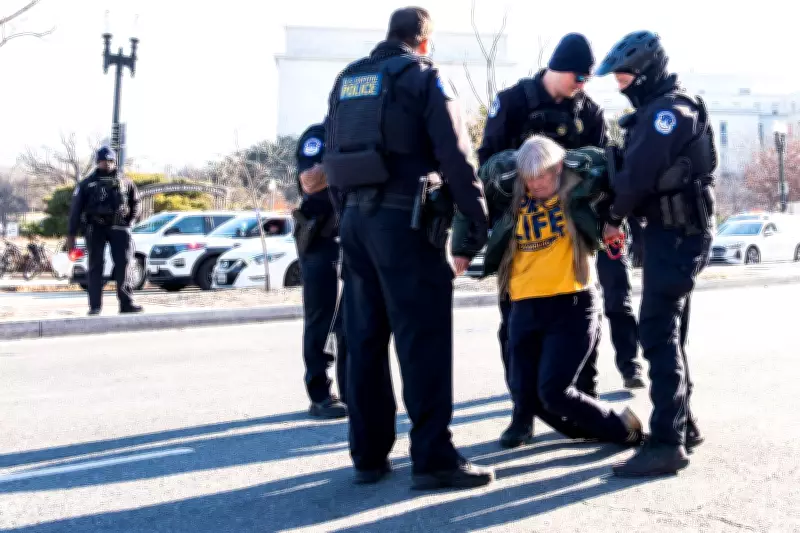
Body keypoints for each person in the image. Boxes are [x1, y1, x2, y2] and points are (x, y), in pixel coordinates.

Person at [323, 6, 493, 490]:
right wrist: (476, 221)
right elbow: (455, 155)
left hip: (355, 220)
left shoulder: (348, 80)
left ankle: (369, 457)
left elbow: (333, 158)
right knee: (423, 340)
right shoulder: (423, 76)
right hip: (405, 223)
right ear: (424, 41)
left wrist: (349, 216)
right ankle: (434, 458)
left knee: (365, 339)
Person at [466, 32, 643, 449]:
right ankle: (521, 416)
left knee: (581, 320)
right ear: (556, 67)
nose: (583, 82)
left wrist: (608, 222)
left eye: (587, 76)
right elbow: (486, 163)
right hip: (521, 233)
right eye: (577, 75)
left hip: (574, 236)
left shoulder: (590, 112)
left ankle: (588, 404)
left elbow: (604, 174)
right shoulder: (513, 102)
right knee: (515, 330)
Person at [595, 31, 716, 476]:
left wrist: (612, 216)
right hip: (674, 235)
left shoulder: (669, 111)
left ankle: (667, 442)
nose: (620, 84)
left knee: (657, 332)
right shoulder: (665, 107)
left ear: (646, 70)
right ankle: (683, 426)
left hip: (677, 236)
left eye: (624, 75)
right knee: (671, 334)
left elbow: (638, 175)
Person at [497, 135, 644, 447]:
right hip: (524, 304)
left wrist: (612, 223)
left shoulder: (578, 195)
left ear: (559, 168)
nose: (536, 184)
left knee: (553, 390)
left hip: (572, 303)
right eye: (529, 178)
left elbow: (610, 170)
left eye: (543, 176)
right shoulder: (510, 198)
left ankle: (623, 429)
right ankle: (591, 429)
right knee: (523, 392)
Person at [292, 122, 348, 420]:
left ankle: (352, 391)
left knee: (352, 320)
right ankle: (320, 393)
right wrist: (349, 159)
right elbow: (310, 182)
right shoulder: (318, 136)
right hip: (319, 238)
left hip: (354, 234)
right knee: (320, 317)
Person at [66, 146, 142, 316]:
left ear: (114, 161)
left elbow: (136, 202)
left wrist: (130, 220)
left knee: (124, 265)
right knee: (95, 267)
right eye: (102, 161)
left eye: (109, 161)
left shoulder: (126, 182)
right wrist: (70, 238)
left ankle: (126, 303)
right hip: (95, 228)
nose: (106, 164)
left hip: (119, 228)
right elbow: (75, 211)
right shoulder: (86, 184)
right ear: (97, 162)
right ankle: (95, 306)